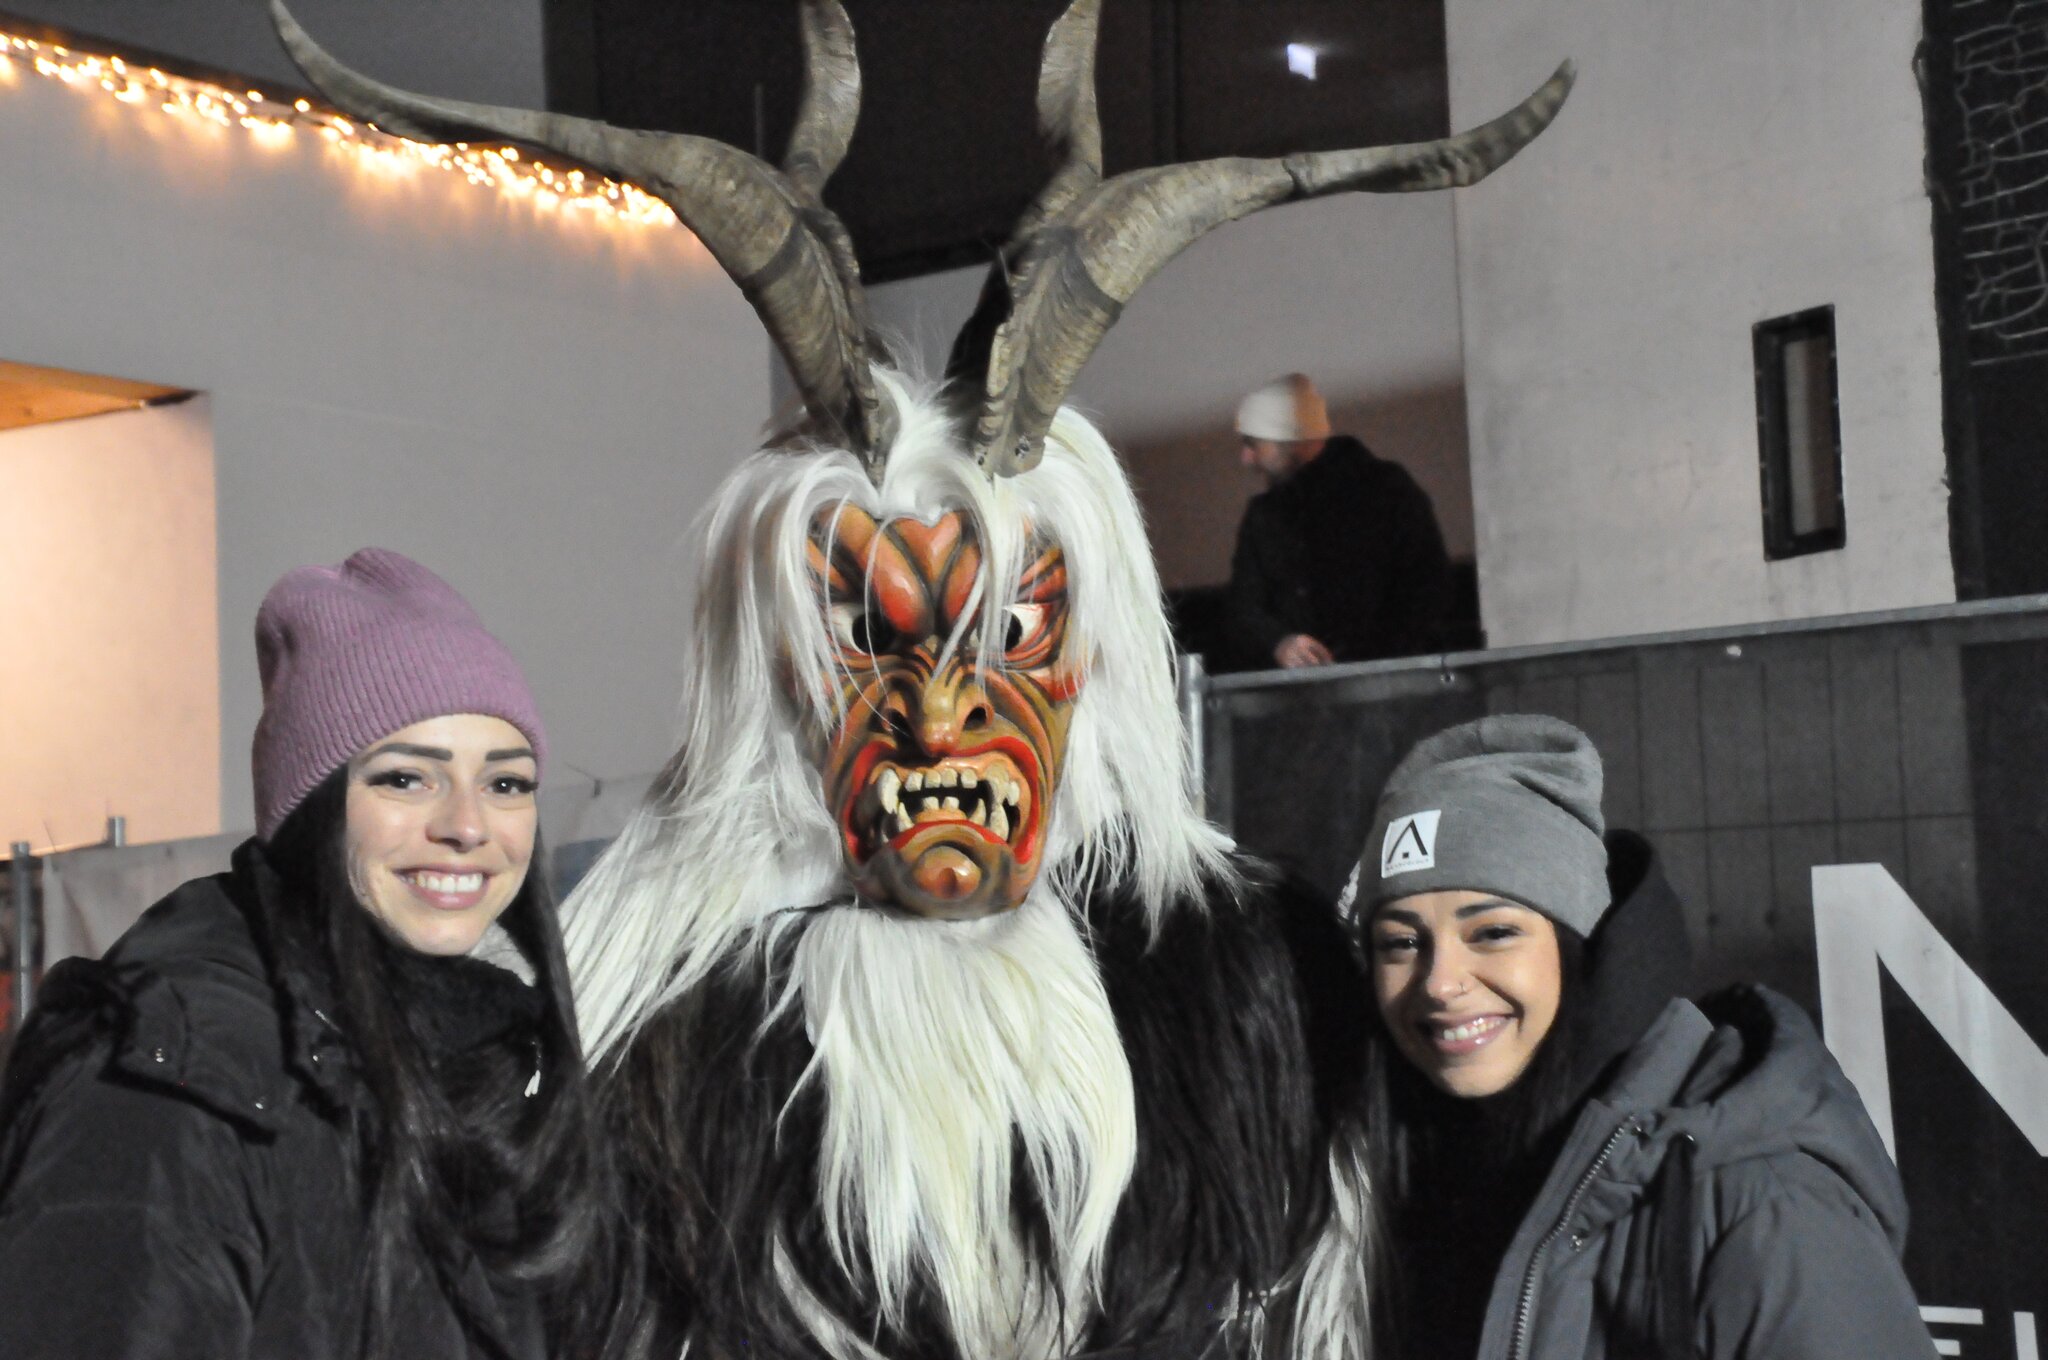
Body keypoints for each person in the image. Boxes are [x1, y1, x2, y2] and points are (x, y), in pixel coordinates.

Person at [0, 548, 625, 1360]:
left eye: (506, 783)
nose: (469, 826)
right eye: (407, 780)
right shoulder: (174, 1082)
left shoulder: (501, 1078)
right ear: (312, 812)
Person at [1349, 715, 1937, 1360]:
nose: (1439, 982)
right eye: (1400, 943)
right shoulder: (1391, 1179)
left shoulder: (1761, 1196)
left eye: (1492, 933)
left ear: (1581, 944)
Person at [1224, 373, 1453, 670]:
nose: (1247, 458)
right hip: (1320, 697)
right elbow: (1242, 610)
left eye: (1254, 443)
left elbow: (1427, 590)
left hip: (1386, 689)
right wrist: (1279, 643)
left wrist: (1363, 662)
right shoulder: (1263, 515)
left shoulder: (1385, 489)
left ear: (1289, 438)